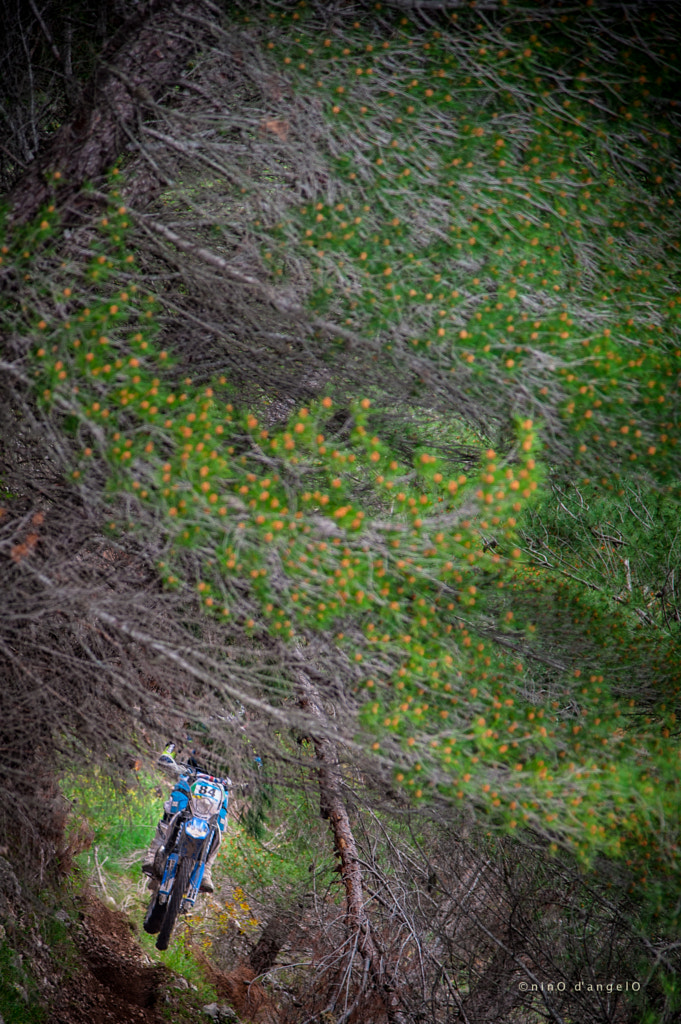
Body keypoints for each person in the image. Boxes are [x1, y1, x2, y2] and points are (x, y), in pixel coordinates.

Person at [142, 744, 230, 895]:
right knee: (176, 803)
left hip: (221, 785)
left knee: (219, 822)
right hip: (191, 774)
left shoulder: (241, 735)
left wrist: (256, 773)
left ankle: (206, 869)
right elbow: (179, 737)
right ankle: (153, 853)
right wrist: (168, 755)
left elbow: (254, 759)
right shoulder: (201, 724)